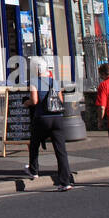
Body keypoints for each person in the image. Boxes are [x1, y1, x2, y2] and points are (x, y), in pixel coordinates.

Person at [23, 58, 74, 191]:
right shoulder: (54, 82)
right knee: (60, 150)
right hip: (57, 117)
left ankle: (34, 170)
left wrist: (26, 103)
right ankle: (65, 181)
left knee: (34, 144)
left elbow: (34, 101)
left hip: (42, 118)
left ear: (35, 69)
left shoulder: (34, 82)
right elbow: (60, 100)